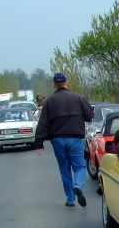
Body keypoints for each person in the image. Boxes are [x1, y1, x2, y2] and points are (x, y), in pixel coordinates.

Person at [34, 73, 93, 207]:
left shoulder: (49, 102)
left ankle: (70, 199)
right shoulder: (78, 98)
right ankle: (77, 185)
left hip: (58, 140)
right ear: (67, 82)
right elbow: (89, 116)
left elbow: (43, 124)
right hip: (75, 138)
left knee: (64, 168)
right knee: (79, 166)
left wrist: (39, 143)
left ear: (54, 84)